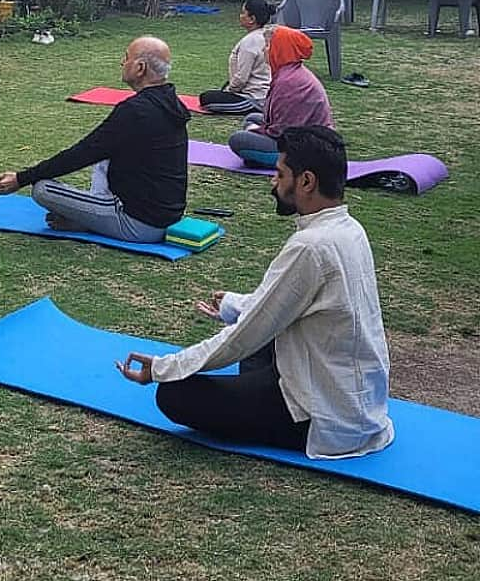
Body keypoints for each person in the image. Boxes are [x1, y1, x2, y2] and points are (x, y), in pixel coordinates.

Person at [116, 126, 394, 459]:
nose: (272, 182)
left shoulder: (311, 247)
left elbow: (244, 336)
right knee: (256, 333)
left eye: (279, 174)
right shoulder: (349, 229)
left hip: (324, 417)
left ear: (306, 181)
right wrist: (233, 304)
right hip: (356, 402)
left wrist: (164, 367)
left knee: (174, 394)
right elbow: (283, 303)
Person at [0, 36, 189, 243]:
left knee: (43, 189)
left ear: (140, 68)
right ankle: (93, 220)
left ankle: (95, 222)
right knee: (109, 154)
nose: (122, 63)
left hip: (139, 224)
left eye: (126, 58)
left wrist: (22, 178)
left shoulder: (136, 111)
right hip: (167, 217)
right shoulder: (171, 103)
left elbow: (82, 154)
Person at [228, 25, 334, 169]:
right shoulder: (288, 73)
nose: (264, 50)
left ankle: (290, 162)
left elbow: (282, 131)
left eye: (267, 45)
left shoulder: (289, 82)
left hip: (308, 146)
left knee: (238, 140)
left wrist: (256, 131)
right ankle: (260, 157)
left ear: (280, 49)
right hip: (304, 137)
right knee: (252, 118)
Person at [198, 0, 274, 115]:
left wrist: (230, 90)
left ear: (252, 19)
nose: (240, 16)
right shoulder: (265, 36)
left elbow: (241, 79)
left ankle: (255, 108)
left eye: (243, 13)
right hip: (264, 94)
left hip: (254, 98)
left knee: (206, 98)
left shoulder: (250, 42)